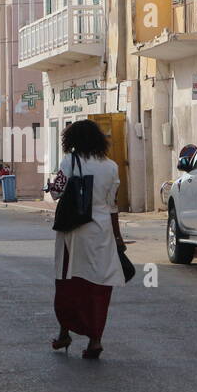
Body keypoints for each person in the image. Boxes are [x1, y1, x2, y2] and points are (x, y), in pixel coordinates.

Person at [48, 120, 125, 359]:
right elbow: (113, 206)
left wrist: (52, 184)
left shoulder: (69, 162)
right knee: (98, 287)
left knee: (68, 282)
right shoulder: (111, 166)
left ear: (71, 140)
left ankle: (64, 333)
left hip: (74, 231)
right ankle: (95, 340)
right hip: (101, 231)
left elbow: (56, 192)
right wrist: (118, 237)